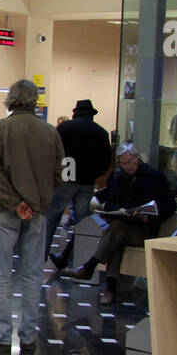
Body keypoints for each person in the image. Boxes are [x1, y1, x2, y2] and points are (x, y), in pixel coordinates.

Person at [0, 79, 64, 354]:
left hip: (3, 211)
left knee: (0, 273)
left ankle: (1, 335)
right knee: (32, 274)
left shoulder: (0, 129)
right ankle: (28, 337)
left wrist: (16, 203)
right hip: (37, 212)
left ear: (10, 100)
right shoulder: (51, 132)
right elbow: (59, 174)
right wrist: (35, 202)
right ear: (34, 101)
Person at [68, 142, 177, 305]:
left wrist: (151, 217)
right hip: (124, 226)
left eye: (131, 161)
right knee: (118, 234)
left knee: (117, 230)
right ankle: (109, 289)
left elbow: (170, 204)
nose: (129, 166)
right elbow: (111, 202)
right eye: (125, 163)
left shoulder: (154, 177)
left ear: (137, 157)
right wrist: (120, 209)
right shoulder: (118, 178)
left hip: (145, 229)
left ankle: (91, 267)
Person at [45, 99, 111, 270]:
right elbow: (106, 162)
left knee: (52, 218)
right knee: (83, 224)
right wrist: (93, 174)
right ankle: (77, 260)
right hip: (87, 182)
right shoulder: (101, 133)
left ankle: (40, 258)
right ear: (92, 114)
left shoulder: (65, 128)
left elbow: (53, 152)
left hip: (66, 176)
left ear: (75, 112)